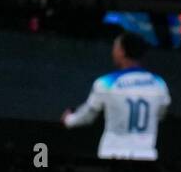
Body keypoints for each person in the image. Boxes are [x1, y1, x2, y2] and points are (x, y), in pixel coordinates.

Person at [62, 31, 170, 161]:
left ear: (122, 52)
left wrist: (69, 120)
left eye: (115, 47)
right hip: (146, 155)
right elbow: (161, 115)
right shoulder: (159, 83)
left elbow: (88, 115)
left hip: (113, 153)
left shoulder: (106, 83)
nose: (113, 52)